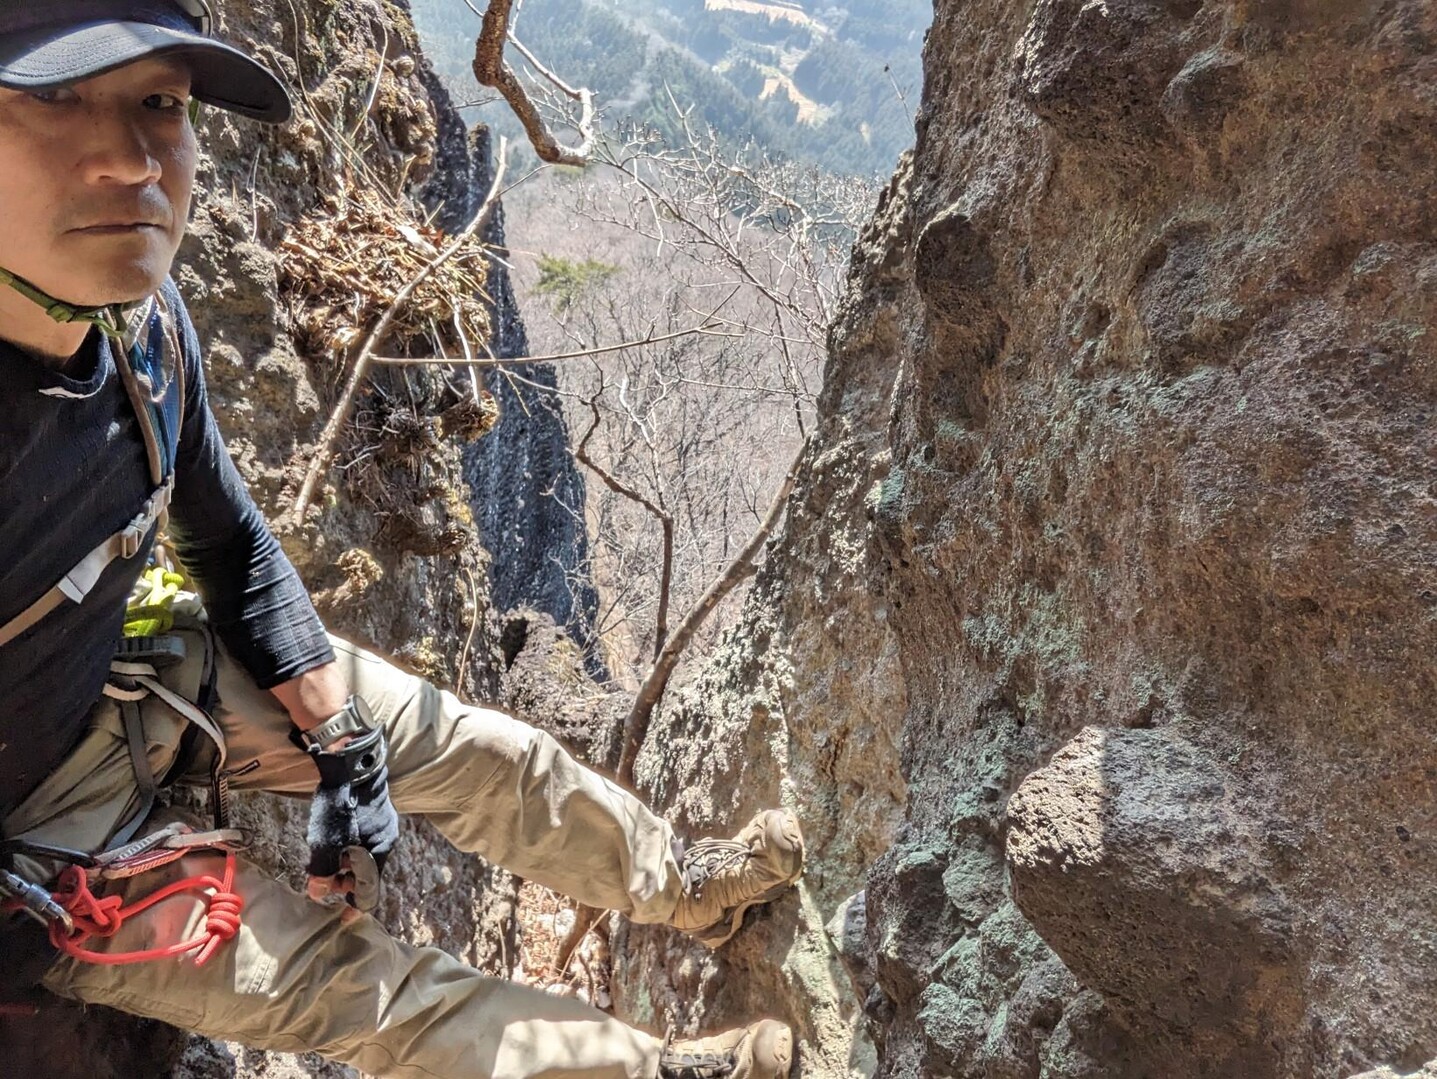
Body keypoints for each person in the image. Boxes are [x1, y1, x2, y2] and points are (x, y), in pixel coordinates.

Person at [0, 3, 805, 1077]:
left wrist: (334, 734)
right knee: (367, 992)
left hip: (133, 679)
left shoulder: (140, 326)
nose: (130, 158)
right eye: (54, 98)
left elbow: (228, 537)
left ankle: (685, 884)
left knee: (480, 752)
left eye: (161, 104)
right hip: (47, 842)